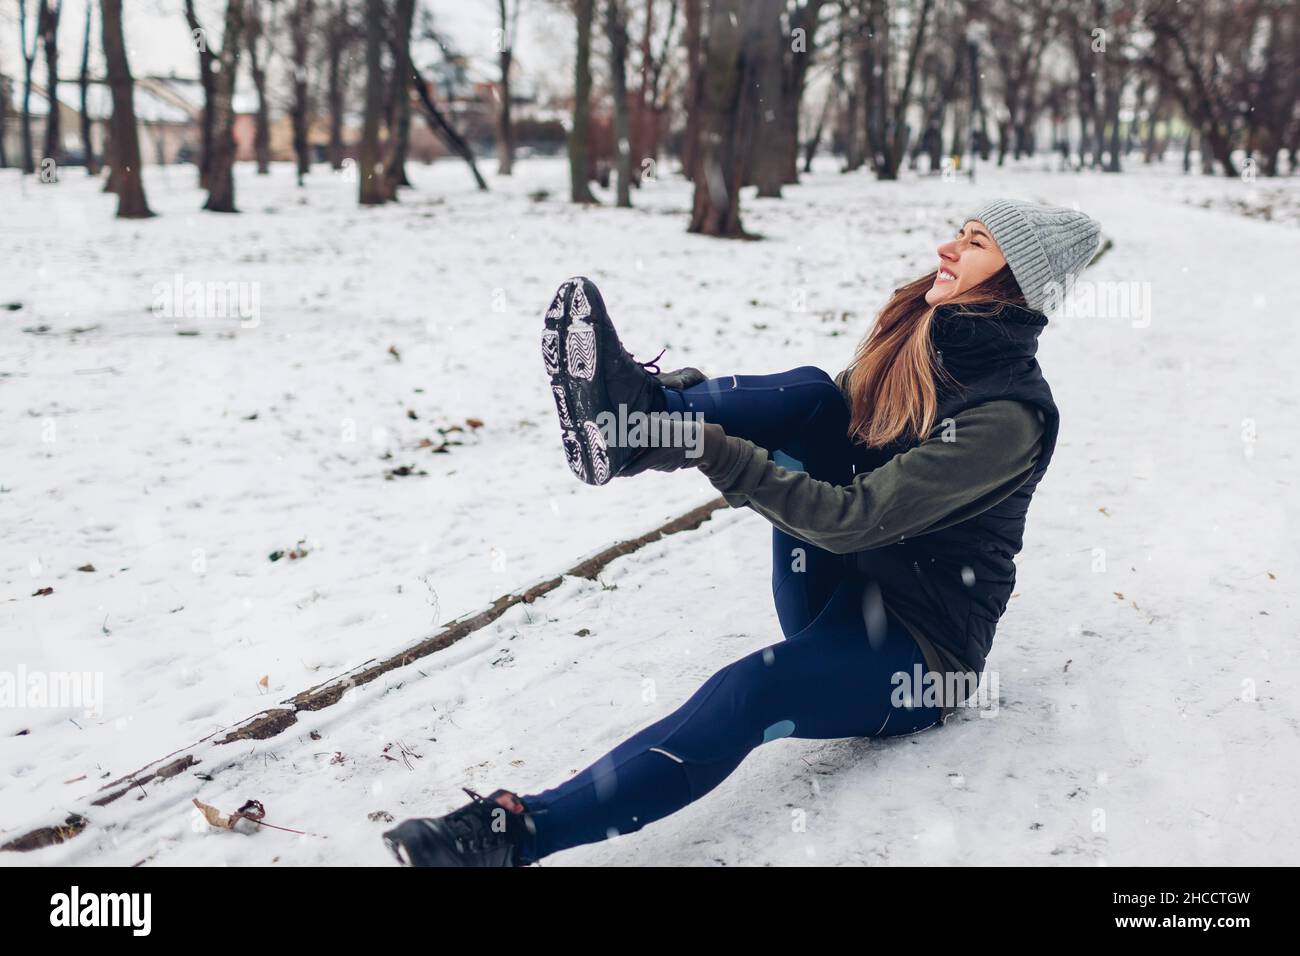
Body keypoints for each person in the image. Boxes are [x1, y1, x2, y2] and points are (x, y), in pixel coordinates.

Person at [383, 199, 1102, 867]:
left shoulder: (1007, 417)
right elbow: (817, 430)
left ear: (1013, 282)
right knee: (818, 396)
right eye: (960, 230)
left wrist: (714, 448)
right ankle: (635, 419)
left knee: (749, 693)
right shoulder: (923, 341)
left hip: (916, 653)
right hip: (841, 593)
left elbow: (844, 521)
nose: (946, 246)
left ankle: (518, 831)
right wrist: (693, 417)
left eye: (974, 242)